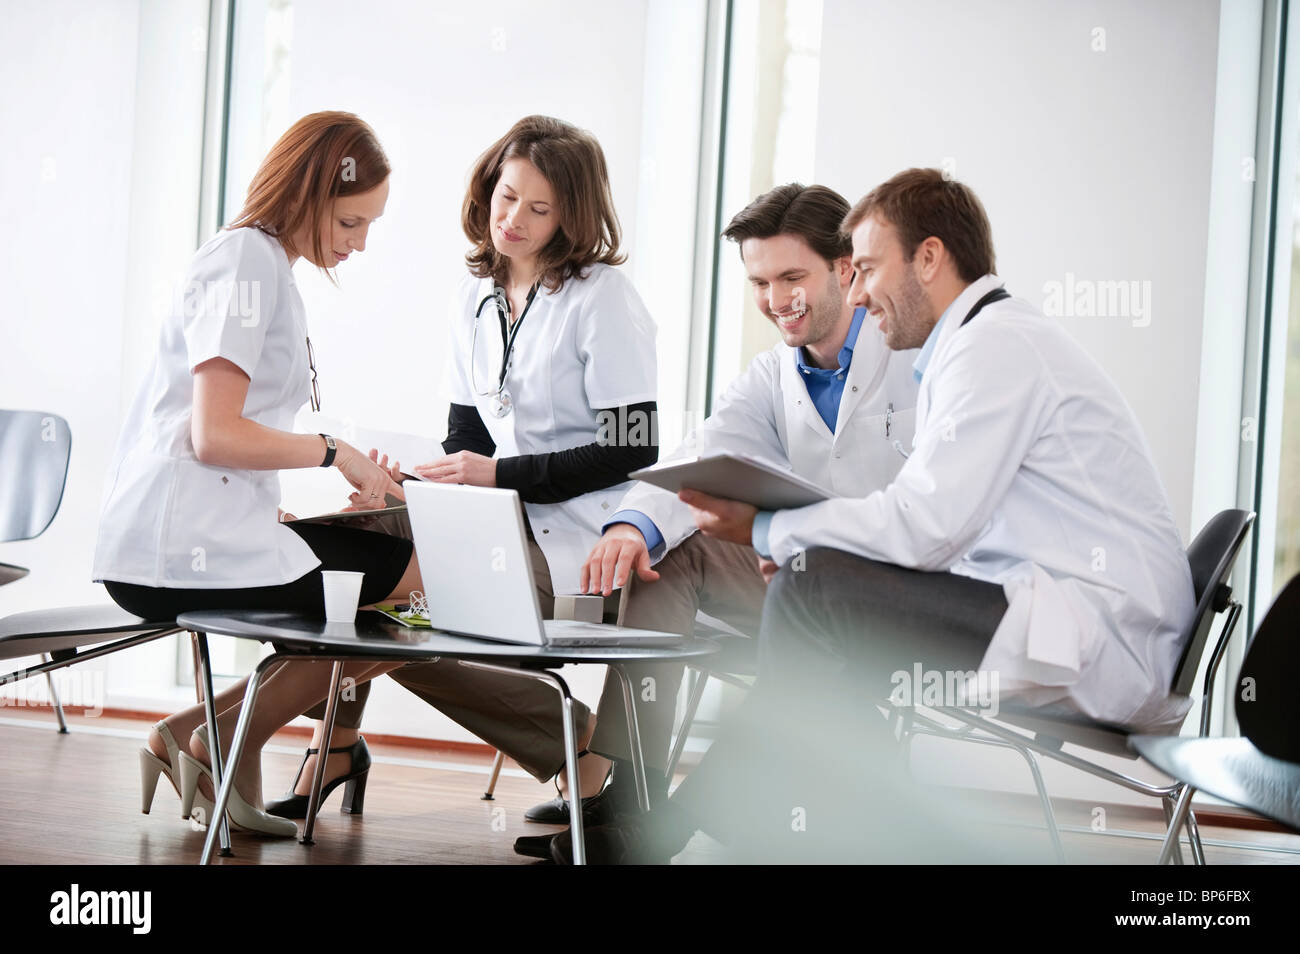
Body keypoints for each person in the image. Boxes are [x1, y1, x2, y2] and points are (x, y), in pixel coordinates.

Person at [549, 167, 1196, 863]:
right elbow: (708, 450)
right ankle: (734, 820)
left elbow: (924, 525)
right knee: (817, 593)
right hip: (1046, 615)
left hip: (1090, 637)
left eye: (866, 270)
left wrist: (768, 530)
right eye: (759, 284)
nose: (859, 293)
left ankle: (690, 826)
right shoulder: (972, 343)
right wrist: (644, 523)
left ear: (929, 257)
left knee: (816, 588)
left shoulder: (992, 347)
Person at [265, 115, 660, 820]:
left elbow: (633, 447)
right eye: (507, 197)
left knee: (394, 608)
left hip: (574, 539)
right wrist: (413, 489)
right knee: (366, 555)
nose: (513, 220)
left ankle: (570, 747)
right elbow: (467, 437)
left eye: (540, 209)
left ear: (573, 214)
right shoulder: (472, 297)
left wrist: (497, 477)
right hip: (496, 521)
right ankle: (336, 743)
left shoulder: (602, 298)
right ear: (488, 188)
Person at [510, 183, 921, 857]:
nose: (775, 299)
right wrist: (628, 527)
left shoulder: (912, 363)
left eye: (793, 277)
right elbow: (700, 455)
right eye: (760, 281)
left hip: (891, 596)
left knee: (785, 577)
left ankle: (657, 825)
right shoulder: (768, 376)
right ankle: (633, 793)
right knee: (666, 555)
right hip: (795, 584)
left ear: (846, 269)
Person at [92, 112, 421, 836]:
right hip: (171, 552)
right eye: (352, 219)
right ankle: (215, 739)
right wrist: (337, 453)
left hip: (200, 534)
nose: (361, 242)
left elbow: (217, 437)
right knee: (423, 585)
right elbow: (215, 434)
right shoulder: (245, 261)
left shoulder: (264, 266)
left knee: (384, 586)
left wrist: (263, 507)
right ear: (309, 190)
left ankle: (203, 735)